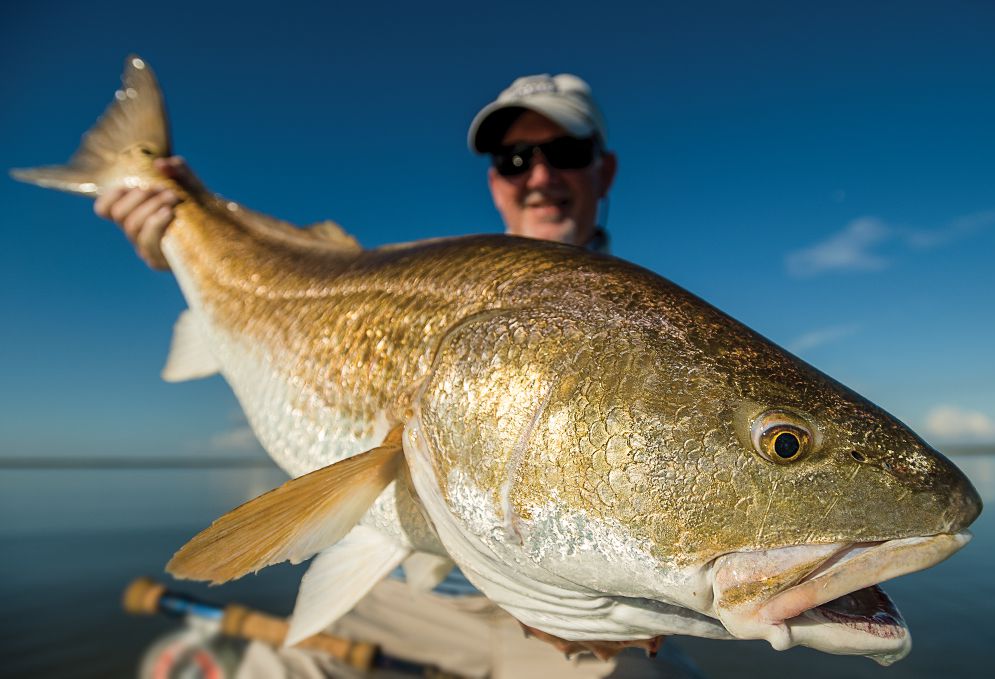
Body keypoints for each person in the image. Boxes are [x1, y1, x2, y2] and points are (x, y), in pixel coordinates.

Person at [96, 75, 697, 679]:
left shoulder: (675, 338)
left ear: (604, 170)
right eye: (514, 160)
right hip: (401, 603)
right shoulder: (418, 282)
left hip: (584, 636)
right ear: (495, 182)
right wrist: (178, 225)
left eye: (566, 152)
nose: (539, 176)